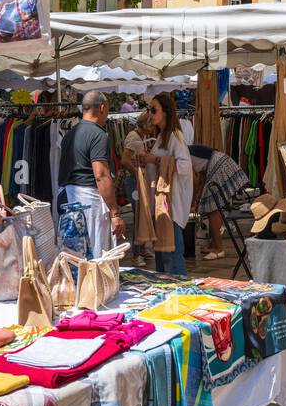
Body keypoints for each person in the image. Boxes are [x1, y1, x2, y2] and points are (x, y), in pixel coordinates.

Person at [55, 89, 124, 258]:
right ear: (102, 108)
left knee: (74, 254)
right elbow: (100, 174)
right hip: (88, 201)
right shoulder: (98, 134)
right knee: (96, 256)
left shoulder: (69, 134)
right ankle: (96, 285)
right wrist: (115, 212)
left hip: (67, 198)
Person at [134, 91, 193, 275]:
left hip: (172, 208)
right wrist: (146, 161)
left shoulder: (175, 136)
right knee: (162, 258)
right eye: (148, 109)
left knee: (172, 259)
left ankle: (179, 297)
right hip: (163, 207)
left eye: (153, 110)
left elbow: (185, 166)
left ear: (165, 112)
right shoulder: (161, 137)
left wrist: (155, 160)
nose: (150, 114)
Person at [188, 143, 251, 261]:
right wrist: (198, 195)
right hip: (219, 162)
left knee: (213, 208)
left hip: (218, 164)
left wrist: (192, 201)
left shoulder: (184, 154)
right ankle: (214, 244)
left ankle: (218, 248)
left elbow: (194, 181)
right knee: (213, 204)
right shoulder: (189, 151)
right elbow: (202, 175)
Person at [119, 112, 153, 265]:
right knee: (139, 216)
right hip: (134, 181)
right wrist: (137, 175)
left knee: (143, 214)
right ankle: (136, 254)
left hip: (137, 180)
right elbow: (125, 160)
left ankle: (142, 249)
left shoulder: (140, 138)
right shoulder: (134, 137)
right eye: (151, 124)